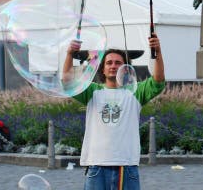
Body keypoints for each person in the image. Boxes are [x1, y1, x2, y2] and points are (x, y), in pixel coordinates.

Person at [65, 35, 165, 190]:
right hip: (96, 166)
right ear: (103, 69)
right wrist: (69, 54)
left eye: (118, 63)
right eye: (109, 63)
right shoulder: (92, 91)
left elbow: (158, 81)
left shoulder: (135, 92)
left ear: (125, 69)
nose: (113, 66)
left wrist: (157, 52)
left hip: (126, 166)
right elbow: (68, 83)